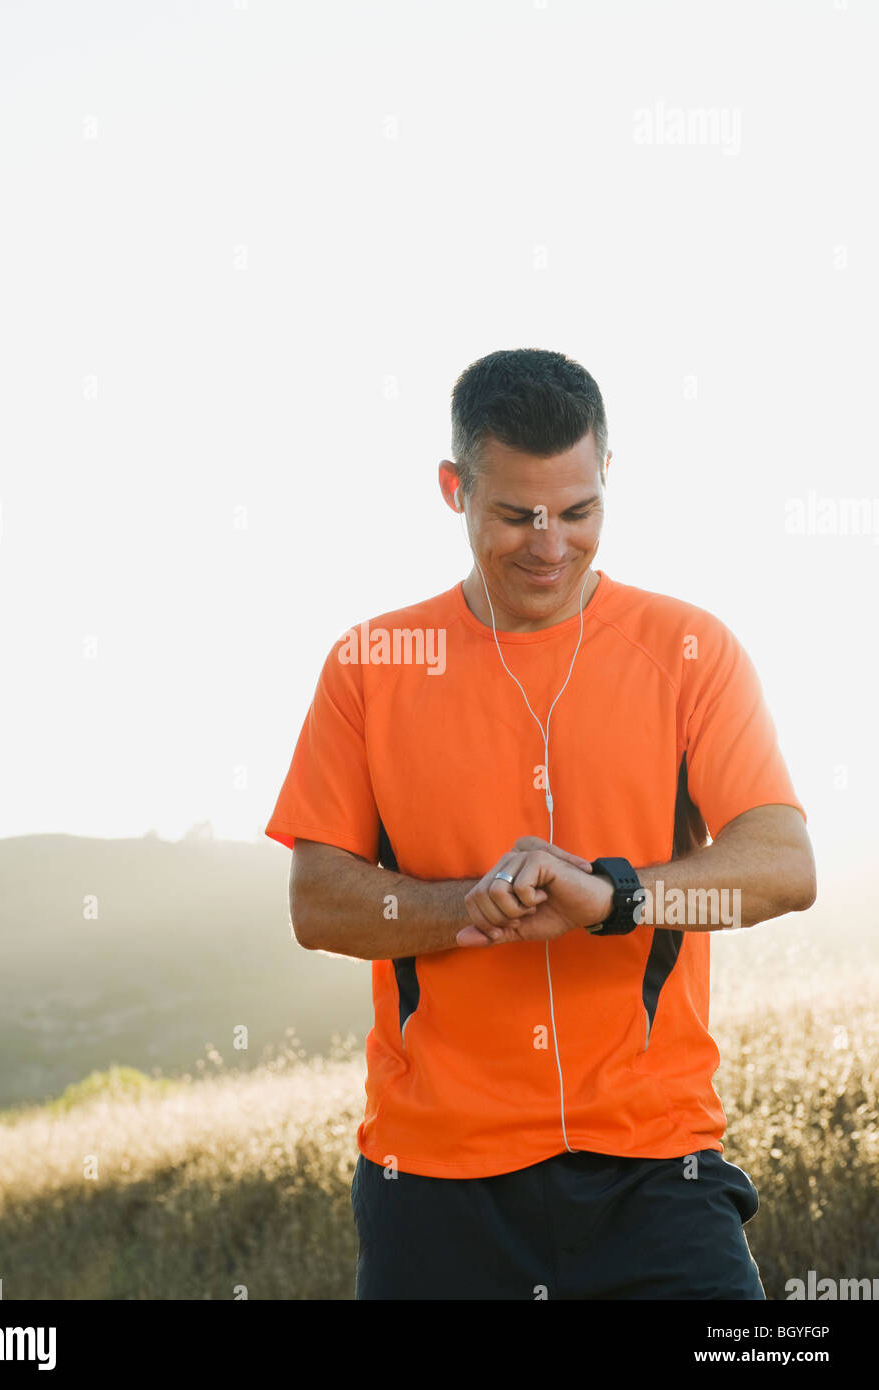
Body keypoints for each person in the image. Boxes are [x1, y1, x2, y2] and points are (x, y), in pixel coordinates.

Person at [264, 347, 816, 1301]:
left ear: (608, 482)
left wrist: (614, 897)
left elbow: (781, 867)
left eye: (578, 511)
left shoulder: (691, 649)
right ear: (453, 490)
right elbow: (319, 903)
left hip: (658, 1169)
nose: (550, 544)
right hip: (433, 1179)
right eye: (517, 515)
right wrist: (470, 911)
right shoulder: (370, 665)